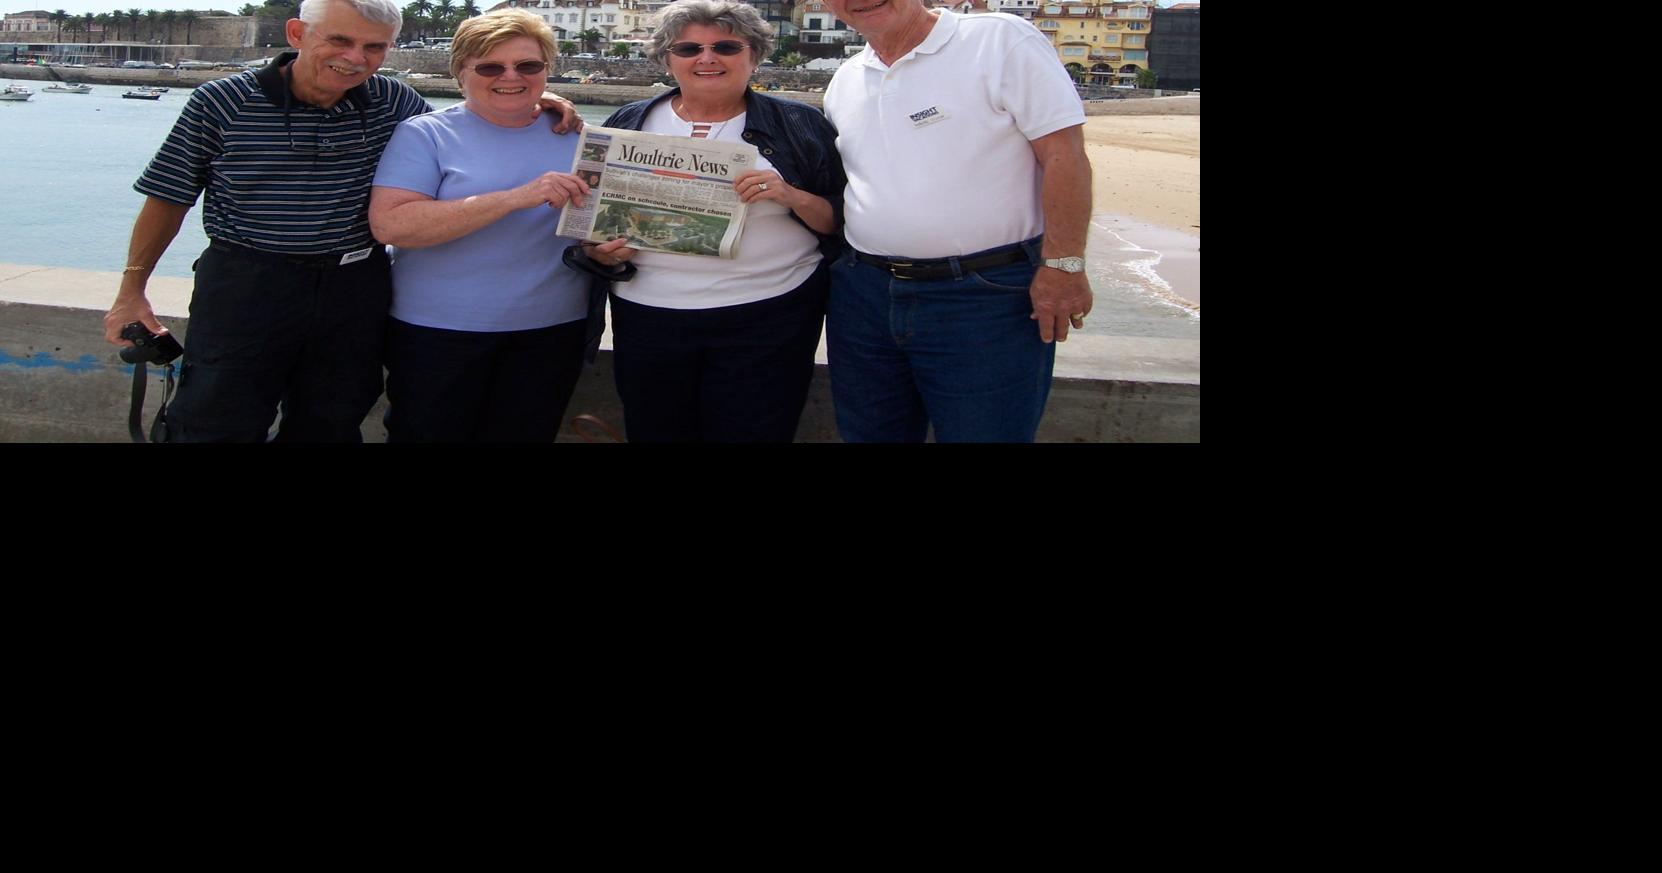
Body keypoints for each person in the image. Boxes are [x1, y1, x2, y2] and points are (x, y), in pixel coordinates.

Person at [101, 0, 583, 442]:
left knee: (331, 421)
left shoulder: (393, 102)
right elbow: (168, 197)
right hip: (248, 283)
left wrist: (544, 101)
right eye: (340, 40)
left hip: (353, 286)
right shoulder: (221, 101)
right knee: (214, 421)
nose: (355, 58)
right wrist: (131, 291)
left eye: (374, 47)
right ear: (297, 33)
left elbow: (478, 116)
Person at [821, 0, 1095, 443]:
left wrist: (1064, 264)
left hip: (983, 298)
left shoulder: (999, 39)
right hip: (863, 296)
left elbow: (1065, 157)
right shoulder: (845, 80)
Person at [585, 0, 846, 443]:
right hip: (648, 315)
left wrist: (790, 195)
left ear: (753, 55)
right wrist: (599, 250)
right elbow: (590, 222)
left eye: (725, 46)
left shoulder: (800, 123)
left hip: (770, 315)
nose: (707, 58)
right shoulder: (628, 122)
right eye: (688, 49)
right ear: (667, 59)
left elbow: (837, 221)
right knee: (656, 430)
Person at [368, 9, 598, 442]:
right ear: (460, 72)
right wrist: (515, 198)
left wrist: (608, 248)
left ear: (548, 69)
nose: (510, 76)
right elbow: (392, 225)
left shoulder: (583, 137)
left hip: (550, 335)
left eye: (528, 65)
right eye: (491, 66)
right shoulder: (424, 134)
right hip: (437, 336)